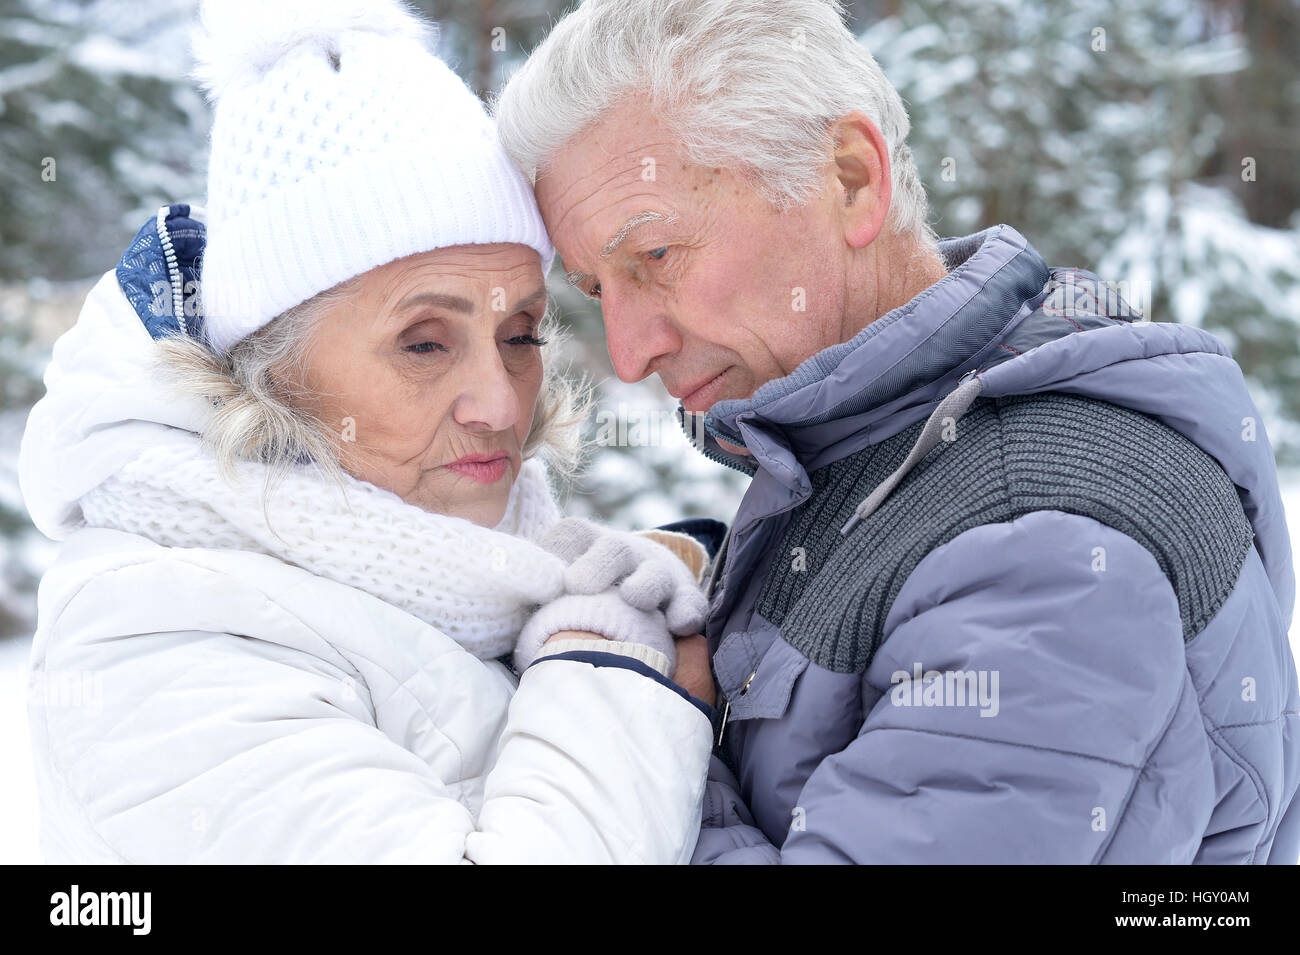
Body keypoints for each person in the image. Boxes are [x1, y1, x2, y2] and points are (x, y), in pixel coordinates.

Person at [494, 0, 1300, 863]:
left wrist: (648, 715)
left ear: (849, 178)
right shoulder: (881, 445)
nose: (628, 353)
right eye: (594, 288)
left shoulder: (1042, 546)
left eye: (654, 256)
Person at [17, 0, 716, 864]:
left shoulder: (483, 562)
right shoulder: (154, 639)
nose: (500, 403)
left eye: (521, 334)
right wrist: (608, 672)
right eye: (425, 342)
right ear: (269, 367)